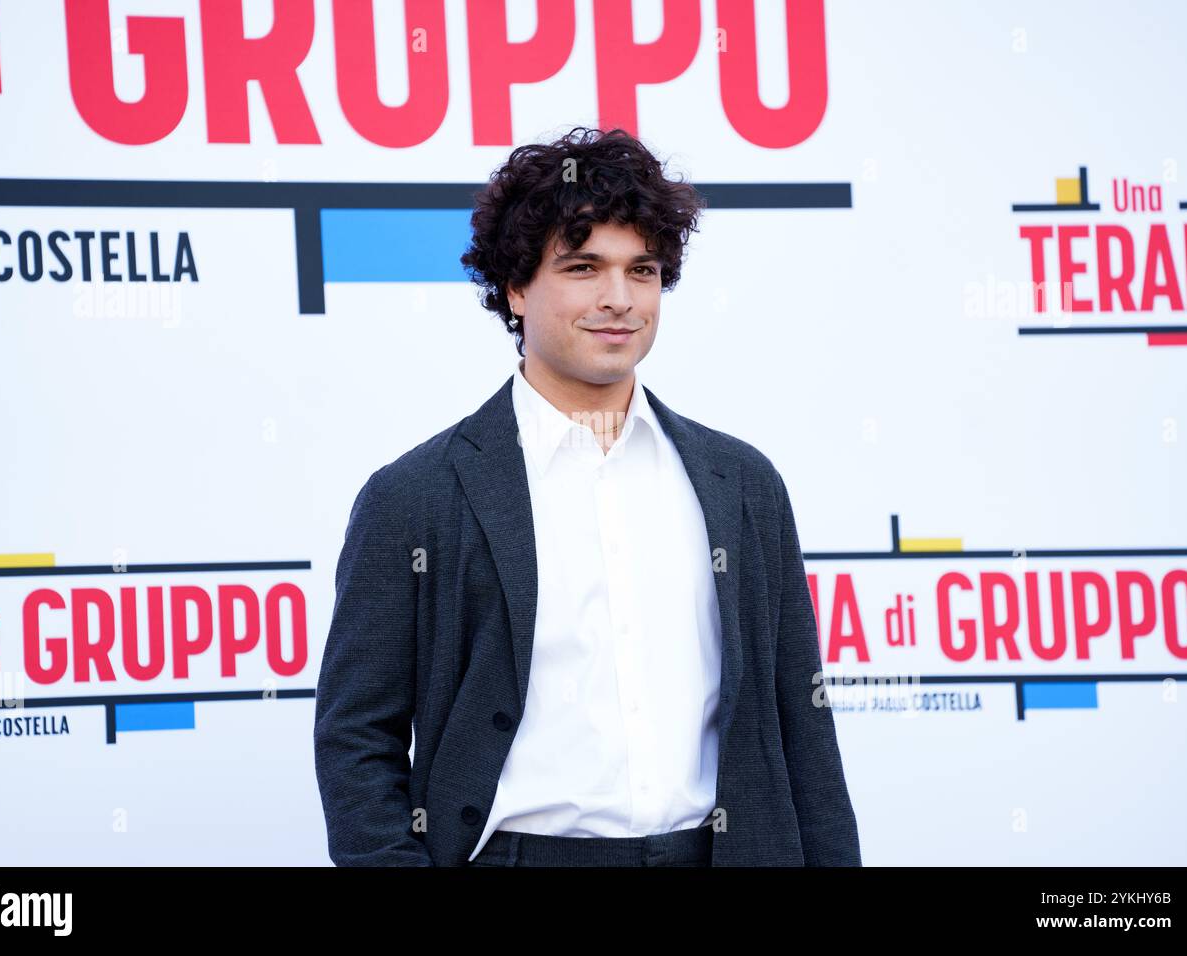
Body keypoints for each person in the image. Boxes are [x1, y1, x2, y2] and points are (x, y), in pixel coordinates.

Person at [313, 126, 861, 867]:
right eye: (583, 267)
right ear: (514, 286)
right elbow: (356, 739)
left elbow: (804, 724)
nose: (619, 300)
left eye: (642, 270)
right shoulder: (415, 497)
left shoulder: (742, 483)